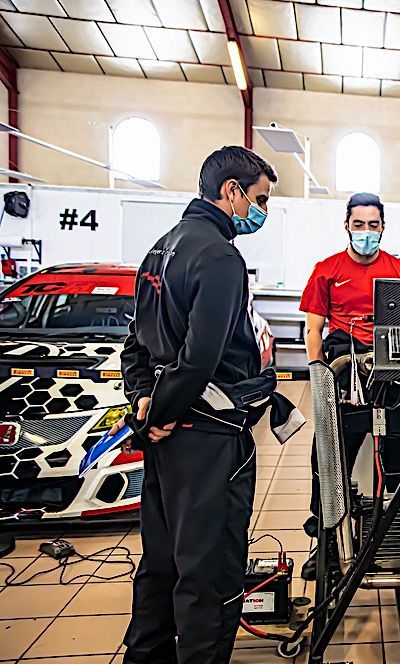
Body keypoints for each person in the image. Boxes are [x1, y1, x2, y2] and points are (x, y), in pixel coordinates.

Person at [119, 146, 277, 664]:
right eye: (260, 199)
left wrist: (144, 407)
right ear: (231, 191)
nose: (262, 212)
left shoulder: (161, 249)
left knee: (161, 562)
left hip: (168, 442)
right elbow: (199, 361)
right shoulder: (219, 256)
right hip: (208, 440)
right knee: (208, 572)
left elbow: (135, 346)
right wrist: (159, 414)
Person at [299, 192, 400, 580]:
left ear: (383, 227)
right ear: (347, 226)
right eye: (359, 224)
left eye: (373, 225)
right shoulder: (327, 270)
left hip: (392, 365)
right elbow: (313, 329)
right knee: (331, 454)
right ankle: (326, 539)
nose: (366, 232)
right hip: (343, 362)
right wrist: (320, 374)